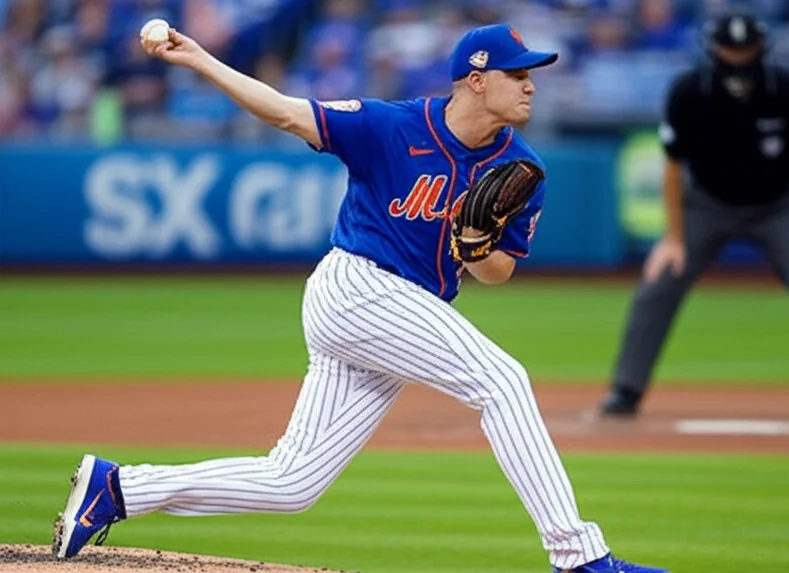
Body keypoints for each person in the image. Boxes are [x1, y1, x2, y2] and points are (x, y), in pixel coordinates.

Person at [51, 23, 667, 573]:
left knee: (293, 482)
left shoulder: (520, 166)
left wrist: (479, 248)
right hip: (357, 287)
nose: (531, 85)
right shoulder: (390, 125)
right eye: (518, 73)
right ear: (475, 81)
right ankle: (579, 557)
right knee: (502, 381)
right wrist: (201, 60)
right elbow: (287, 113)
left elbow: (499, 272)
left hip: (406, 311)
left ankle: (119, 488)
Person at [600, 13, 789, 421]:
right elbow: (673, 166)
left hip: (778, 206)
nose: (738, 58)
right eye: (730, 50)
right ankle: (626, 388)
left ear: (761, 50)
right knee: (659, 281)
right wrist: (672, 237)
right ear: (715, 50)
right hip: (707, 205)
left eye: (746, 50)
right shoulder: (690, 92)